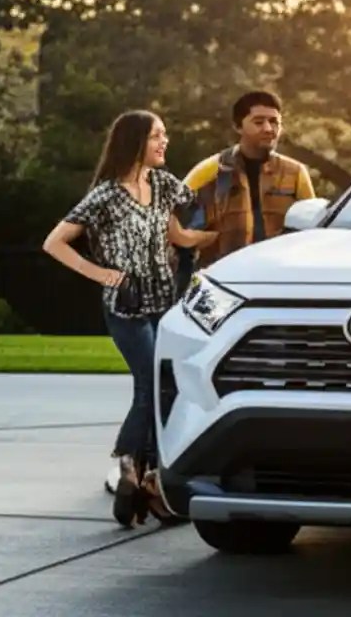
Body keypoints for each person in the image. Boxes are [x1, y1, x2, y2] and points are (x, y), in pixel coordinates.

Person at [42, 110, 217, 527]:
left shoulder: (161, 184)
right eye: (158, 135)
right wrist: (104, 274)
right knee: (152, 384)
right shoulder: (105, 194)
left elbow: (180, 235)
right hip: (125, 304)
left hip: (163, 301)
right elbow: (55, 243)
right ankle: (131, 465)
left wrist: (220, 241)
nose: (165, 141)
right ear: (136, 141)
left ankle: (143, 479)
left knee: (163, 388)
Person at [176, 90, 315, 281]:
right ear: (238, 126)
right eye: (258, 122)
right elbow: (174, 226)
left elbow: (312, 232)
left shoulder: (296, 172)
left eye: (274, 122)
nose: (268, 129)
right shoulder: (208, 172)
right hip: (222, 282)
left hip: (281, 279)